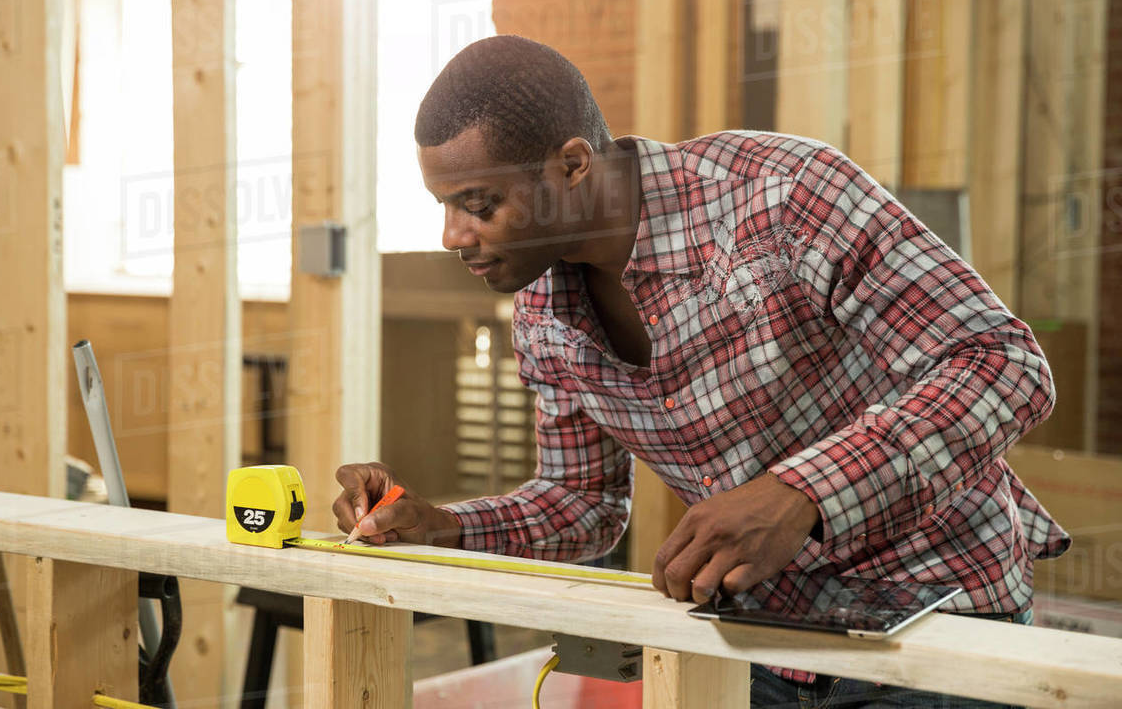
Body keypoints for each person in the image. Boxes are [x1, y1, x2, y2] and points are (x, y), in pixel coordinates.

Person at [331, 35, 1070, 707]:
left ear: (573, 165)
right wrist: (445, 526)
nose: (453, 235)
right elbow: (584, 503)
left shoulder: (784, 197)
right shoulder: (543, 312)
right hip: (751, 642)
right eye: (444, 206)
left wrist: (800, 493)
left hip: (935, 631)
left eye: (479, 204)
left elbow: (1004, 364)